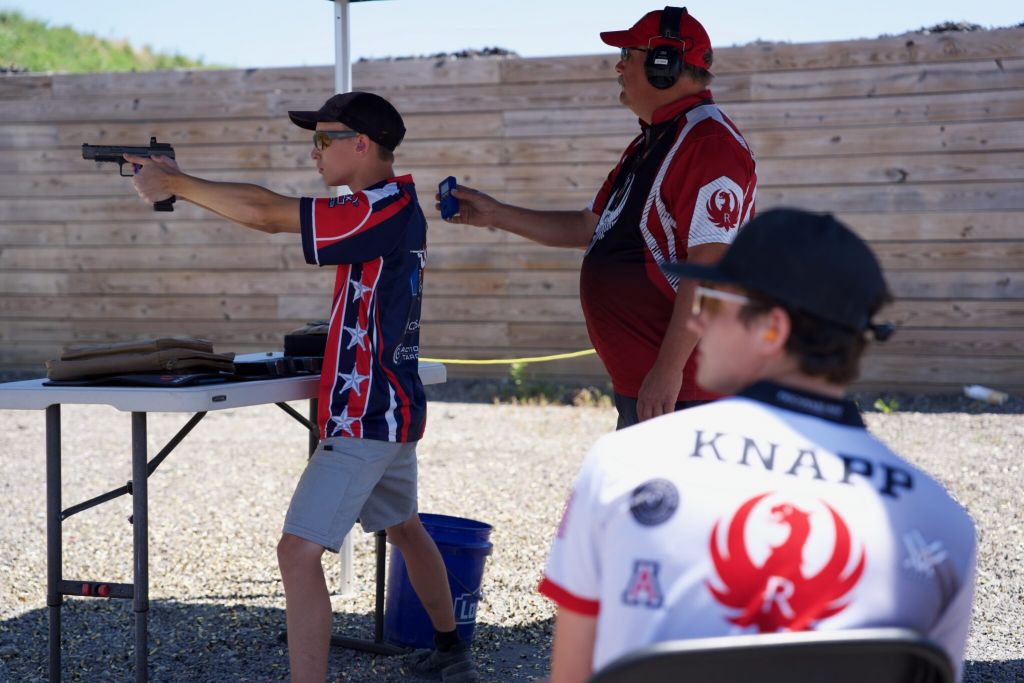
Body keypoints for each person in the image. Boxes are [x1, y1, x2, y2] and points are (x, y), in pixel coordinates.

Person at [537, 208, 977, 683]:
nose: (696, 321)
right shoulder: (944, 526)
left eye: (711, 301)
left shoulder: (624, 466)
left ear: (771, 330)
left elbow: (572, 675)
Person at [126, 92, 477, 683]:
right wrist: (178, 181)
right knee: (405, 527)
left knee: (297, 552)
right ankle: (449, 651)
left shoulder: (381, 208)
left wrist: (178, 185)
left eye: (323, 139)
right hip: (387, 409)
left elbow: (268, 214)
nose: (313, 153)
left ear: (361, 144)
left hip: (367, 413)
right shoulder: (389, 204)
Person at [441, 6, 756, 429]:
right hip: (665, 388)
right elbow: (589, 228)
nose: (619, 64)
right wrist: (495, 214)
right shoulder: (653, 140)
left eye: (630, 53)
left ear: (665, 64)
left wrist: (667, 371)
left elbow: (712, 269)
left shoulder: (708, 144)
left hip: (691, 393)